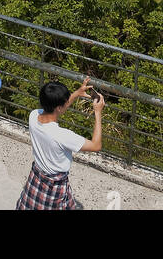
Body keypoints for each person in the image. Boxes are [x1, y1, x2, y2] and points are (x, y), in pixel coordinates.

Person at [16, 77, 103, 210]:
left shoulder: (33, 116)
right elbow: (96, 146)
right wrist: (97, 112)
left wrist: (78, 92)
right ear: (59, 107)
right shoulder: (63, 136)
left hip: (37, 177)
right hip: (55, 186)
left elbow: (57, 109)